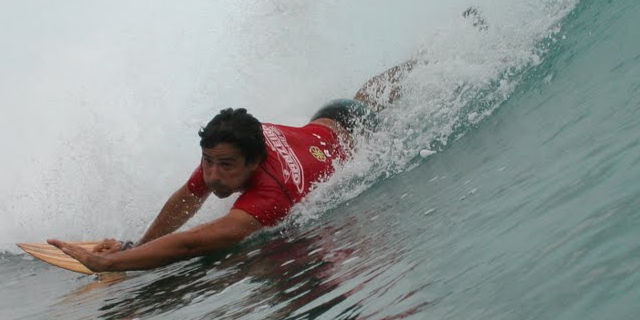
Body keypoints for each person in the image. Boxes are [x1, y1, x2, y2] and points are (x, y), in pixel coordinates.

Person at [47, 62, 412, 273]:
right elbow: (188, 197)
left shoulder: (270, 194)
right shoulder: (225, 150)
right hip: (327, 116)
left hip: (355, 128)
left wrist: (114, 265)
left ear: (255, 161)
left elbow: (190, 244)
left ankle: (425, 60)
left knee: (378, 100)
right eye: (208, 162)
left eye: (225, 166)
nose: (213, 176)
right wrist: (136, 247)